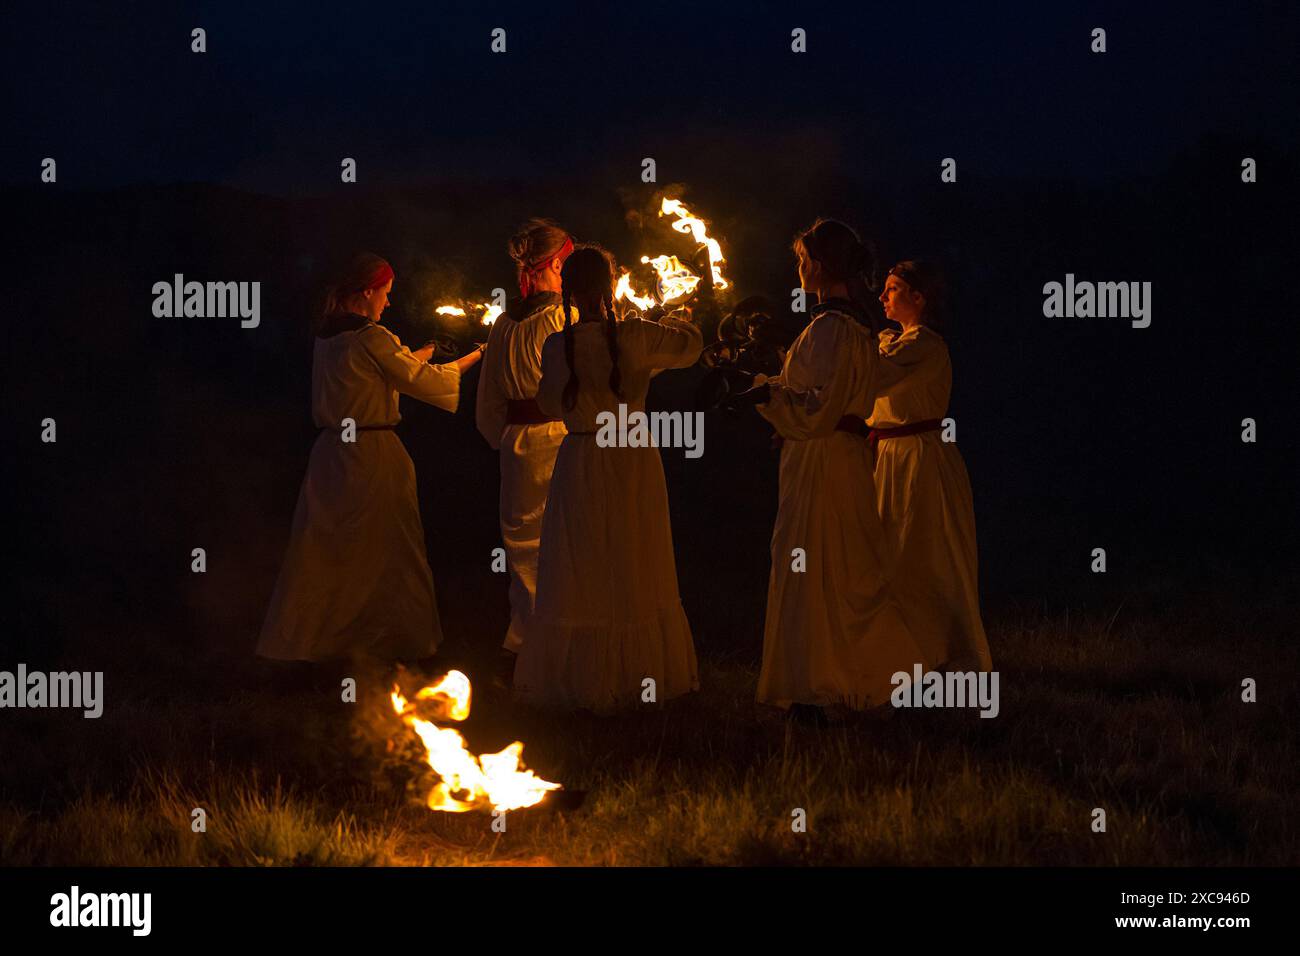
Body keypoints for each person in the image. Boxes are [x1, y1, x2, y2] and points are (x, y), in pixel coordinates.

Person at [257, 253, 483, 665]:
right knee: (393, 550)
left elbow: (384, 371)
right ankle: (399, 643)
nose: (388, 303)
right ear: (366, 292)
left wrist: (430, 347)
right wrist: (475, 356)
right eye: (385, 293)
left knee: (326, 550)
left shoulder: (329, 336)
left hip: (331, 457)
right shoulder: (371, 336)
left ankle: (313, 644)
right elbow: (419, 381)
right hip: (371, 457)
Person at [743, 219, 928, 721]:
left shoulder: (829, 328)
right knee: (845, 566)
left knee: (818, 566)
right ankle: (846, 685)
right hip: (841, 458)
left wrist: (765, 393)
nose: (799, 270)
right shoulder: (856, 329)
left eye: (804, 261)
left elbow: (814, 409)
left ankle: (825, 687)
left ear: (821, 266)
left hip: (821, 458)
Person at [514, 246, 702, 712]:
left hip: (581, 456)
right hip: (632, 456)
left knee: (583, 558)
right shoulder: (637, 334)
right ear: (611, 286)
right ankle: (640, 676)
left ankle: (584, 678)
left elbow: (551, 404)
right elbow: (691, 347)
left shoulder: (558, 343)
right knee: (634, 551)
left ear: (570, 292)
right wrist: (680, 317)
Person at [871, 261, 991, 671]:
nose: (884, 296)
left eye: (893, 289)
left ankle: (944, 657)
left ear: (918, 298)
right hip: (892, 457)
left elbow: (875, 377)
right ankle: (899, 657)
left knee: (925, 554)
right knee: (892, 554)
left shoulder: (923, 343)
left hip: (920, 458)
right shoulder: (895, 342)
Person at [475, 219, 574, 684]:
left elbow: (487, 405)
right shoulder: (565, 318)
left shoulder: (501, 324)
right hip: (559, 438)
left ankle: (523, 643)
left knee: (521, 546)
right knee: (560, 540)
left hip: (516, 443)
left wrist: (506, 438)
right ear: (556, 263)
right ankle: (556, 647)